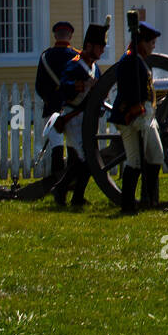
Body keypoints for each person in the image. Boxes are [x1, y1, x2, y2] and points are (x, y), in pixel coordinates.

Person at [48, 20, 110, 207]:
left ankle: (75, 197)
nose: (102, 51)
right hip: (73, 117)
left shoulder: (94, 67)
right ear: (89, 46)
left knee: (84, 160)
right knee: (87, 159)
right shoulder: (74, 65)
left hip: (87, 118)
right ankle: (61, 190)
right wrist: (82, 85)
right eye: (99, 47)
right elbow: (63, 88)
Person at [108, 20, 163, 214]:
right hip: (132, 117)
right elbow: (127, 89)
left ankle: (150, 200)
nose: (153, 46)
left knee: (156, 156)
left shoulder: (137, 59)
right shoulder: (129, 60)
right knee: (135, 162)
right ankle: (128, 206)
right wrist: (136, 111)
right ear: (141, 42)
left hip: (146, 116)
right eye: (151, 42)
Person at [36, 22, 78, 191]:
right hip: (72, 108)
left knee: (56, 146)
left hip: (52, 107)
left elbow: (39, 85)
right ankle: (72, 181)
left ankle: (57, 182)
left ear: (55, 36)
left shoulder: (45, 57)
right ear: (69, 36)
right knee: (73, 145)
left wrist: (50, 99)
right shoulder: (76, 56)